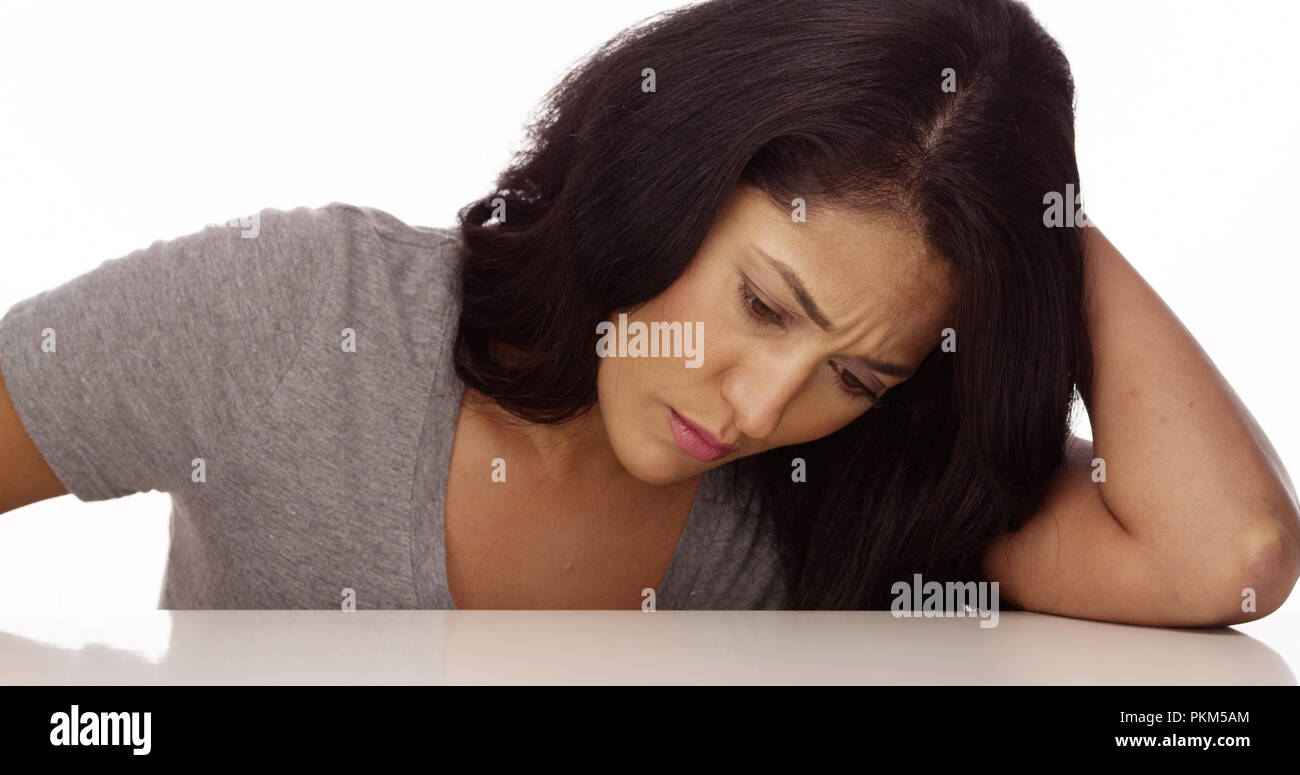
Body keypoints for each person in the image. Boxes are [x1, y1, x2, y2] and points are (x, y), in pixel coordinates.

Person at [1, 0, 1296, 623]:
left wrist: (1022, 183)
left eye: (859, 373)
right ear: (657, 178)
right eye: (759, 303)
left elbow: (1228, 557)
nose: (759, 411)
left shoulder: (859, 483)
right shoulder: (286, 313)